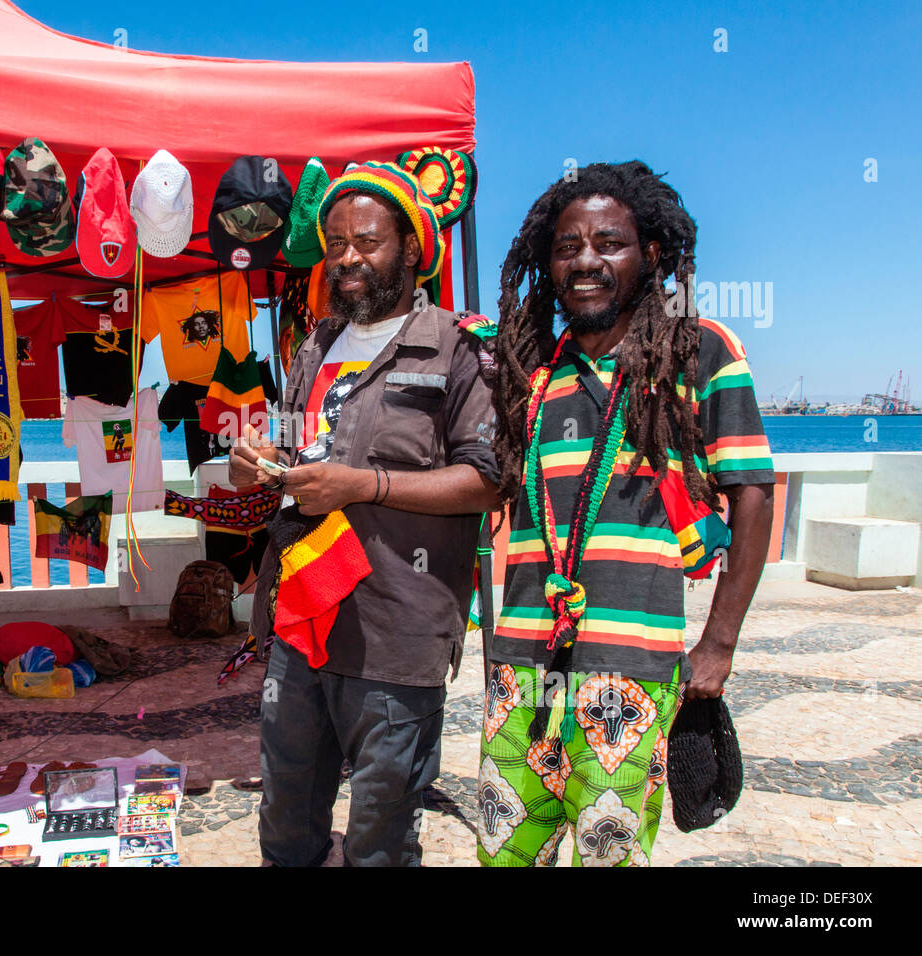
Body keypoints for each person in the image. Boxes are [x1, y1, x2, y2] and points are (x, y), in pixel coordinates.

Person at [478, 160, 775, 866]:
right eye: (566, 247)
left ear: (650, 255)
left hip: (631, 670)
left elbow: (753, 493)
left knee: (608, 857)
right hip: (521, 667)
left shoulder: (697, 352)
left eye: (608, 243)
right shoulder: (525, 371)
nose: (585, 261)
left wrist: (720, 644)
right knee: (503, 851)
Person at [232, 162, 499, 867]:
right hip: (300, 619)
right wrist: (255, 461)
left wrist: (362, 486)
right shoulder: (315, 343)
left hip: (394, 630)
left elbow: (485, 480)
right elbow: (292, 448)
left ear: (411, 249)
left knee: (380, 835)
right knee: (286, 819)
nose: (348, 257)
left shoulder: (457, 347)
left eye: (368, 241)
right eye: (338, 242)